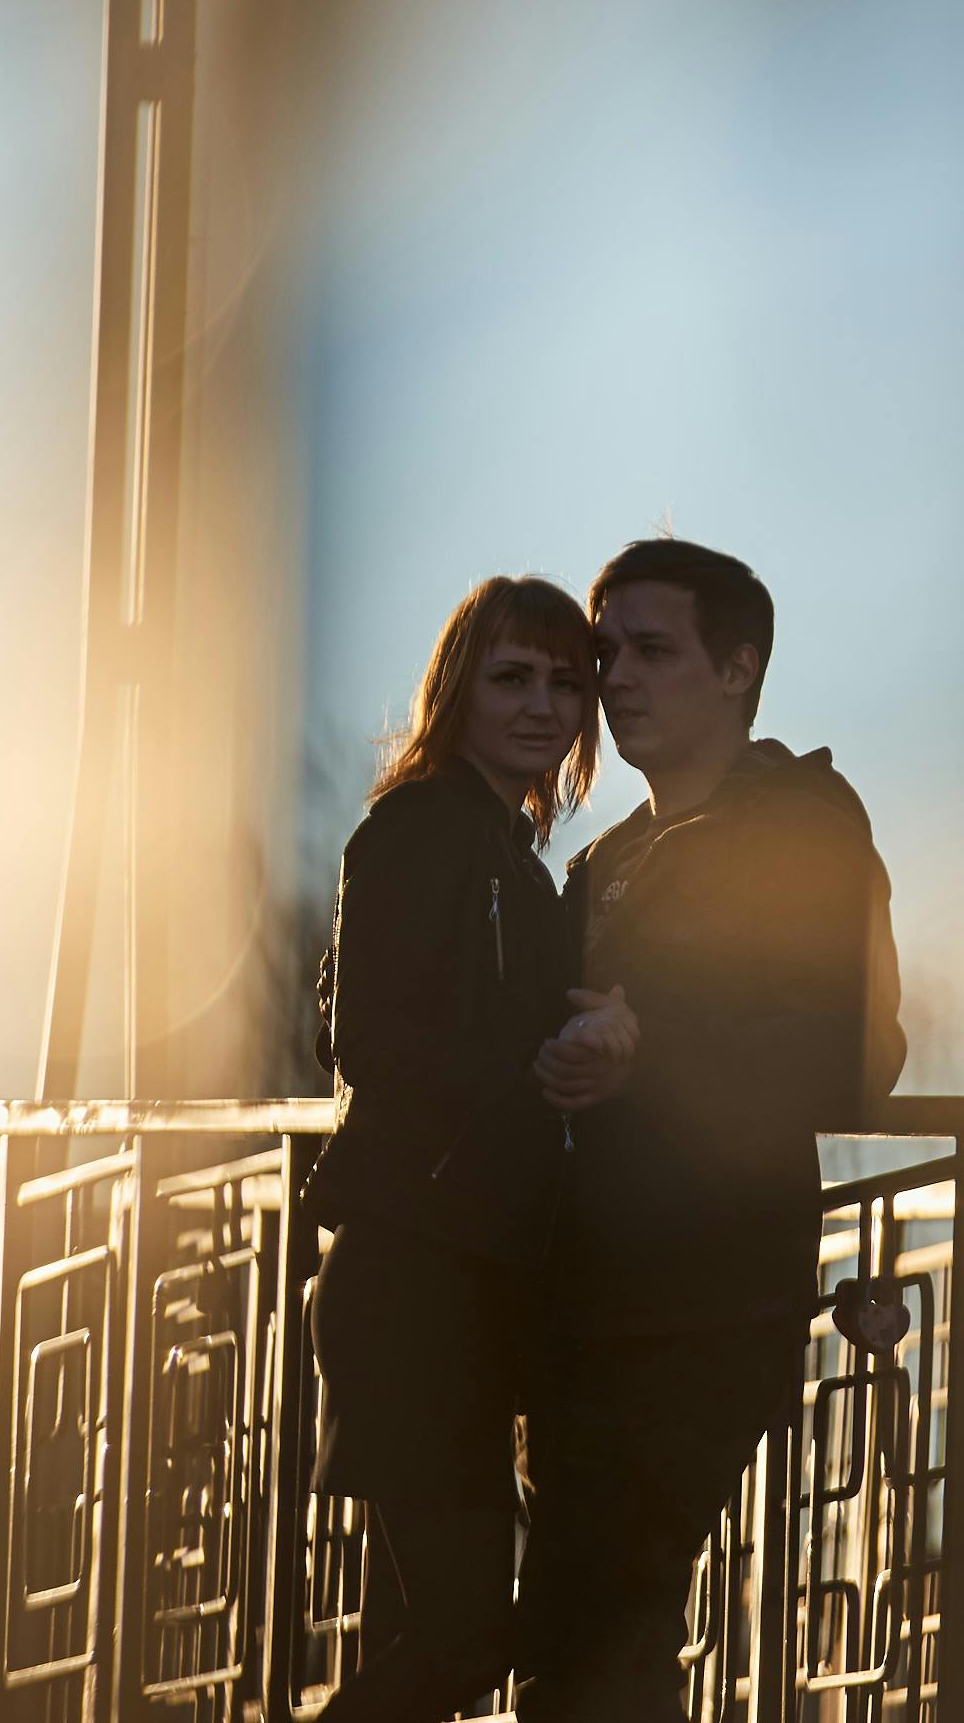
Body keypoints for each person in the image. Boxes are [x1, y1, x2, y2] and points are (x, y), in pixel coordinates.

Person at [514, 539, 907, 1722]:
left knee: (604, 1627)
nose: (615, 678)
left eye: (651, 649)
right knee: (578, 1638)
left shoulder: (800, 819)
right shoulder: (601, 862)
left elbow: (852, 1049)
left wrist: (647, 1042)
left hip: (705, 1293)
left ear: (737, 669)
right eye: (605, 651)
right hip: (583, 1294)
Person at [303, 575, 639, 1722]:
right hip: (412, 1276)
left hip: (467, 1279)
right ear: (456, 691)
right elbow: (364, 1034)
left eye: (566, 681)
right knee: (461, 1634)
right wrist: (542, 1060)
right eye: (511, 677)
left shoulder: (511, 855)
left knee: (428, 1640)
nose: (543, 704)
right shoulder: (418, 825)